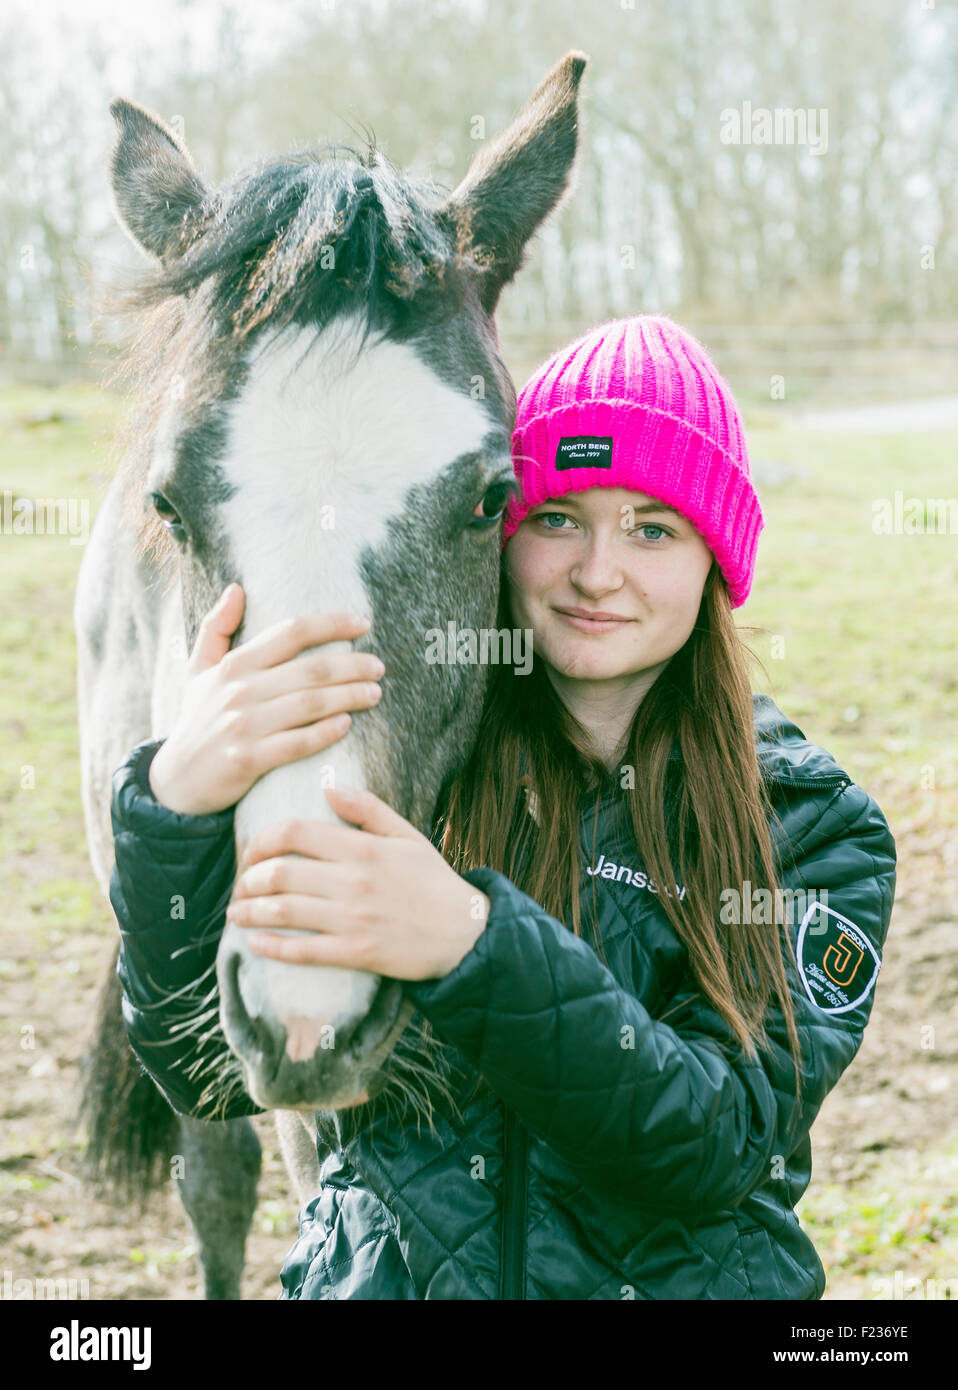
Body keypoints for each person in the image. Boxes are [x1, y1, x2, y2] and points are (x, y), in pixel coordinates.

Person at [109, 314, 896, 1299]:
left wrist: (469, 946)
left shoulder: (812, 828)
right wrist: (175, 803)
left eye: (652, 527)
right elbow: (210, 1072)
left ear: (715, 562)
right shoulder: (412, 767)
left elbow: (713, 1141)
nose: (596, 572)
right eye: (559, 518)